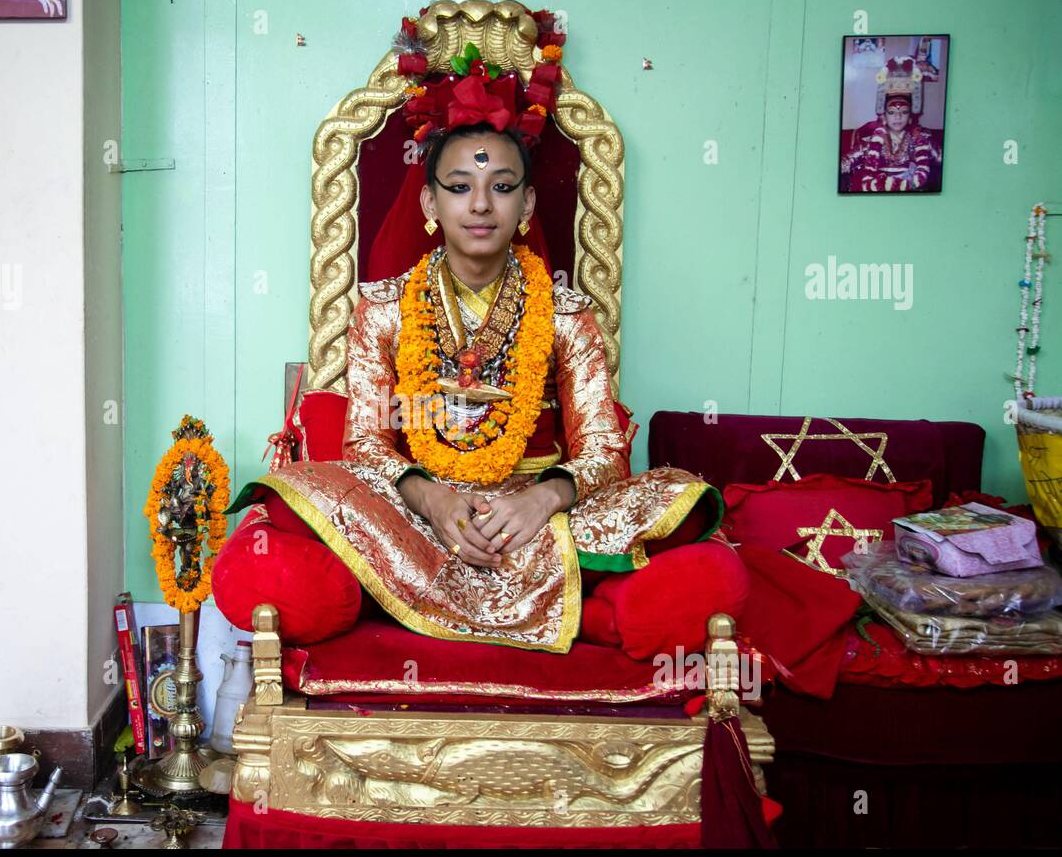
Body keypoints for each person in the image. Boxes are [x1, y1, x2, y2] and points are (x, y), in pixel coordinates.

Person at [213, 68, 747, 658]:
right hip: (416, 514)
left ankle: (555, 590)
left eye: (501, 185)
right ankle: (587, 606)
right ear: (429, 201)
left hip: (540, 518)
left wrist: (539, 502)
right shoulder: (384, 308)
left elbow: (603, 449)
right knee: (299, 488)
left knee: (678, 493)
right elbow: (366, 446)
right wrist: (435, 501)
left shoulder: (568, 314)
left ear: (527, 202)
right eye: (461, 186)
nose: (481, 205)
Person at [841, 57, 941, 193]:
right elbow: (845, 163)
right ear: (884, 115)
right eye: (892, 112)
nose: (898, 117)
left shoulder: (921, 138)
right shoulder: (871, 140)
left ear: (910, 115)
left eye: (904, 112)